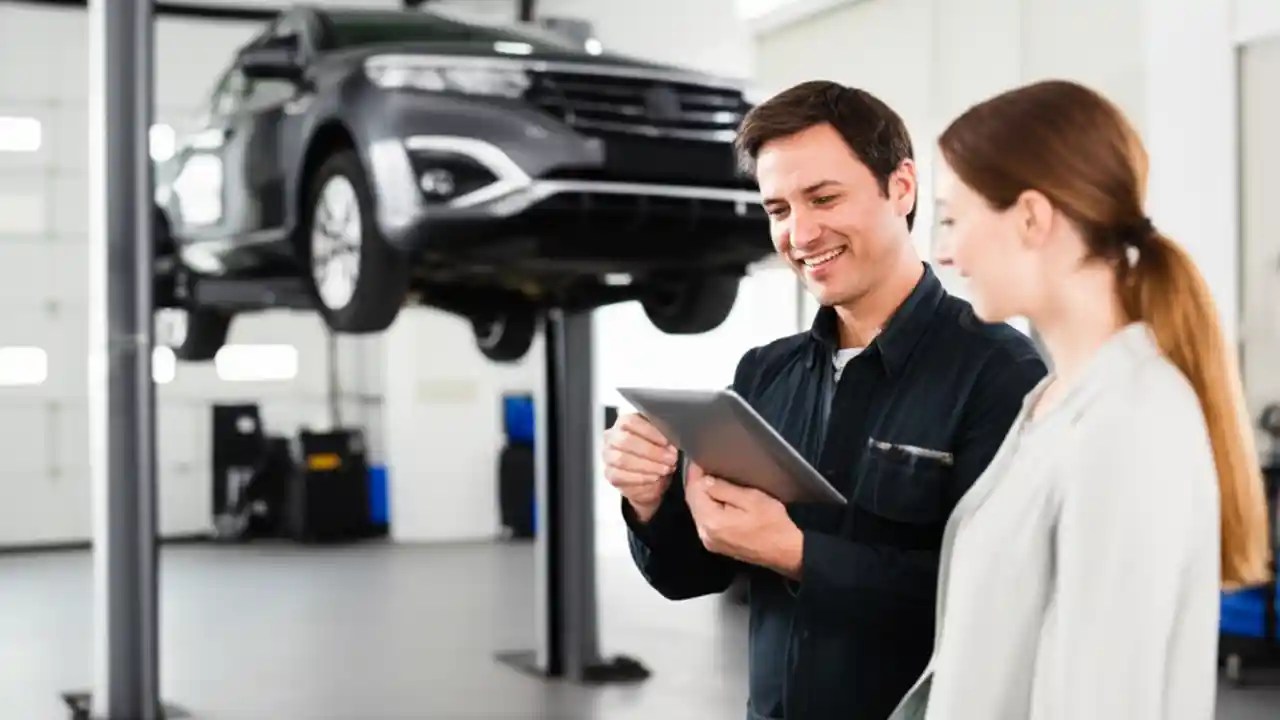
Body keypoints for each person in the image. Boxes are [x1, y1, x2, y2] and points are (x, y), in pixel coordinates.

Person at [601, 80, 1048, 720]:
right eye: (779, 209)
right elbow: (690, 575)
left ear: (901, 187)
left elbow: (1000, 600)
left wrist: (796, 553)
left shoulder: (999, 372)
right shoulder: (765, 373)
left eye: (824, 198)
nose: (801, 233)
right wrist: (648, 503)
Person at [887, 79, 1274, 720]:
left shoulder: (1132, 421)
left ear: (1033, 218)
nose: (944, 252)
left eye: (954, 218)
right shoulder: (1053, 404)